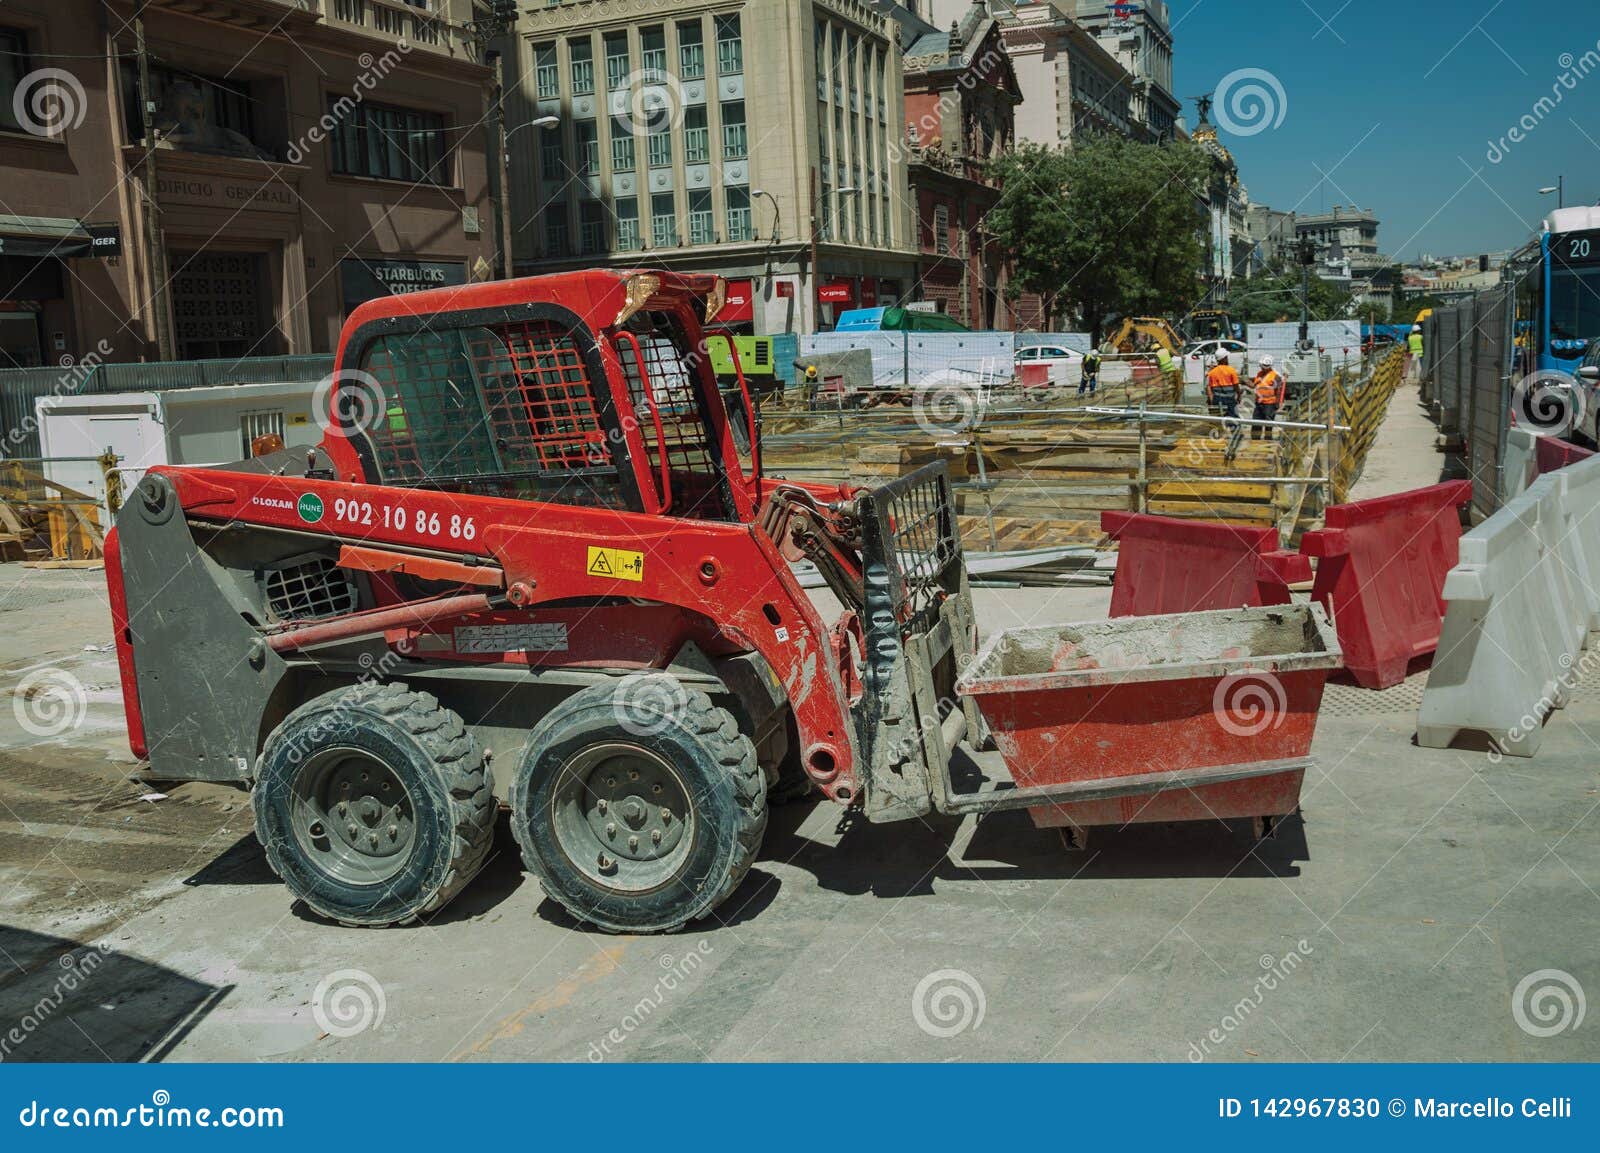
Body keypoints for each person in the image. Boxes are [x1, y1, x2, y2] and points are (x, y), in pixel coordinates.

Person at [1251, 355, 1286, 440]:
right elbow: (1255, 384)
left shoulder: (1275, 376)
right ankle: (1255, 438)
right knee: (1256, 422)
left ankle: (1268, 439)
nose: (1262, 368)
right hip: (1259, 403)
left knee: (1268, 423)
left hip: (1270, 404)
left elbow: (1278, 391)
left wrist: (1277, 404)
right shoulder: (1259, 374)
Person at [1205, 353, 1241, 419]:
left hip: (1217, 399)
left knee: (1219, 419)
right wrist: (1239, 395)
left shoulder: (1212, 373)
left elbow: (1209, 388)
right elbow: (1236, 385)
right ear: (1224, 359)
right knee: (1232, 419)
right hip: (1230, 400)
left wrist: (1211, 400)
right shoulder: (1231, 370)